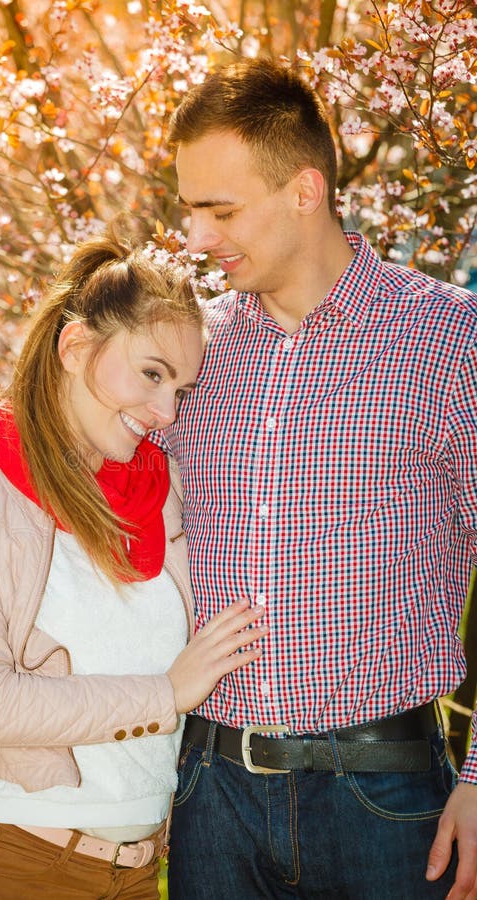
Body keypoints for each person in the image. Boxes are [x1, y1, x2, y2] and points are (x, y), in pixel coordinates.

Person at [159, 57, 477, 899]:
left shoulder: (451, 342)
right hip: (208, 797)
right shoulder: (188, 354)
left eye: (220, 210)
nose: (196, 239)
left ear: (305, 190)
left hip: (386, 801)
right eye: (190, 210)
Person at [0, 221, 268, 900]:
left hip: (137, 874)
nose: (165, 411)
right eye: (151, 374)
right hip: (1, 863)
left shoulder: (167, 494)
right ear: (74, 346)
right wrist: (166, 694)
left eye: (181, 390)